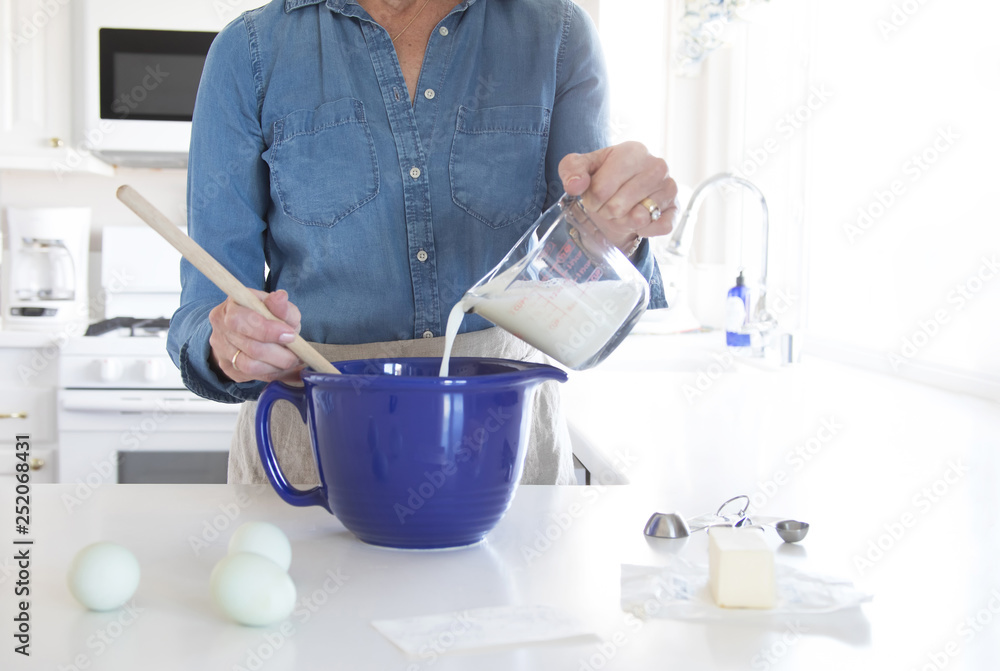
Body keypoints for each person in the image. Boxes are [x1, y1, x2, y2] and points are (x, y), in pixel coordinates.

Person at [167, 0, 679, 486]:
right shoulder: (248, 51)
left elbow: (574, 295)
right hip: (311, 447)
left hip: (503, 453)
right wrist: (229, 344)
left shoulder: (557, 34)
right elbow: (205, 306)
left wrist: (618, 229)